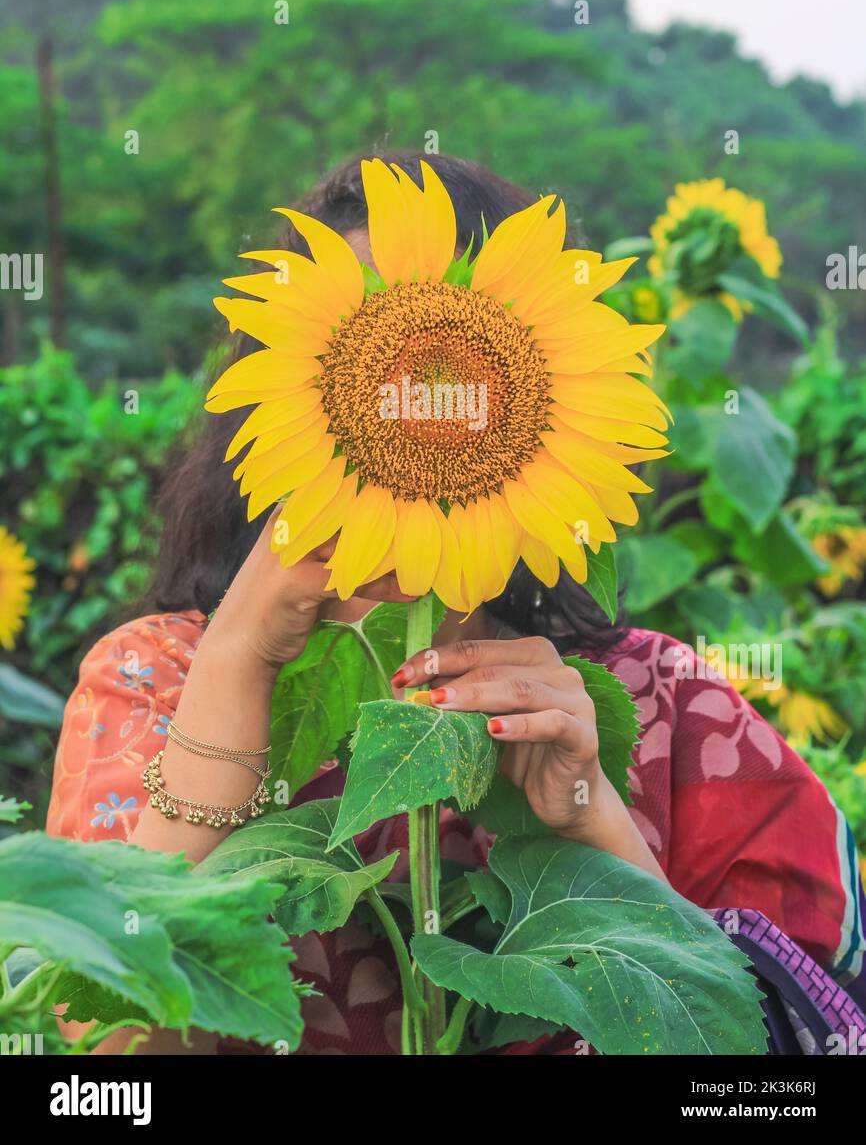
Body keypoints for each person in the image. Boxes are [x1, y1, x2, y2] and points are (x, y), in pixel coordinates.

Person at [47, 151, 866, 1056]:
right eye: (385, 369)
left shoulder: (666, 701)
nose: (426, 406)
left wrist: (598, 827)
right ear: (289, 398)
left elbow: (788, 1051)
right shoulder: (152, 679)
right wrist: (235, 668)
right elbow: (101, 1058)